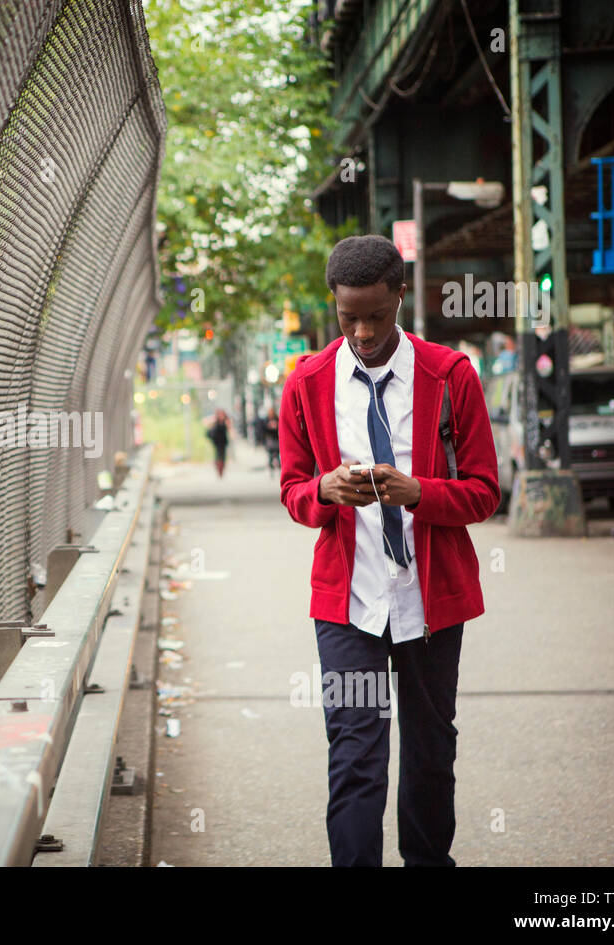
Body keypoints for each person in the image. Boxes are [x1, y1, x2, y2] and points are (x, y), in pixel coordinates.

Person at [278, 234, 499, 867]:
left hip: (431, 606)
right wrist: (324, 489)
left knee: (430, 754)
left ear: (401, 296)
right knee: (354, 759)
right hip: (348, 608)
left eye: (377, 314)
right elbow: (294, 493)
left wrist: (419, 493)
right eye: (349, 317)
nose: (364, 330)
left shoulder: (451, 376)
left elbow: (485, 492)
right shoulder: (307, 384)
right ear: (334, 306)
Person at [205, 408, 229, 478]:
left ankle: (221, 469)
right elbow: (207, 423)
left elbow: (230, 428)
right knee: (218, 454)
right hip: (216, 441)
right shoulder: (215, 420)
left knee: (223, 455)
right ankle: (218, 468)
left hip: (223, 441)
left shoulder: (226, 420)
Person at [262, 406, 280, 476]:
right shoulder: (267, 419)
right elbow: (263, 429)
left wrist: (276, 426)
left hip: (276, 439)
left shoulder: (276, 418)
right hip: (270, 440)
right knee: (270, 456)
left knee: (277, 456)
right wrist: (268, 426)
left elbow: (280, 427)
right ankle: (271, 469)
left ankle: (278, 469)